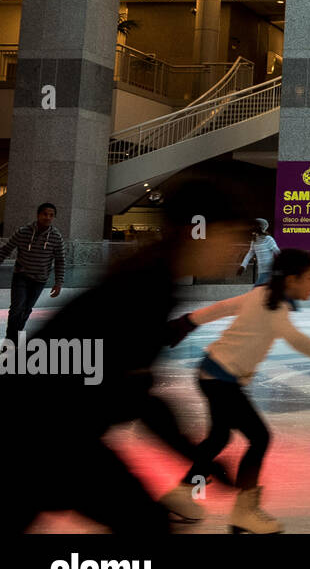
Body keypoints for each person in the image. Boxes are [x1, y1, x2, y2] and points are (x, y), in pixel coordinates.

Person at [0, 181, 247, 533]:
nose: (235, 248)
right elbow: (138, 399)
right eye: (231, 233)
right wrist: (195, 455)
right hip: (39, 436)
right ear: (199, 230)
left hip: (48, 432)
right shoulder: (148, 285)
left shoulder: (152, 277)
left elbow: (132, 390)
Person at [161, 249, 310, 533]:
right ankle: (244, 511)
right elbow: (299, 342)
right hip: (220, 380)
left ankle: (180, 496)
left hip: (212, 374)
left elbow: (223, 306)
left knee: (218, 437)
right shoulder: (273, 308)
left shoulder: (262, 296)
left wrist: (187, 322)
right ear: (291, 279)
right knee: (259, 437)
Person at [0, 201, 65, 342]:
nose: (47, 217)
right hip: (21, 276)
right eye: (45, 214)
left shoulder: (56, 237)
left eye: (51, 215)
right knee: (17, 308)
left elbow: (60, 260)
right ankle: (10, 340)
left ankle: (16, 337)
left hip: (40, 280)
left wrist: (58, 282)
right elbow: (5, 250)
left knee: (26, 309)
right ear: (38, 215)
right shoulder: (23, 232)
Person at [236, 218, 279, 287]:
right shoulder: (254, 241)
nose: (252, 228)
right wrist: (243, 266)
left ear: (260, 227)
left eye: (255, 226)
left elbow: (277, 252)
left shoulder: (268, 239)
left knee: (257, 290)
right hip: (261, 271)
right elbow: (250, 253)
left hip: (269, 270)